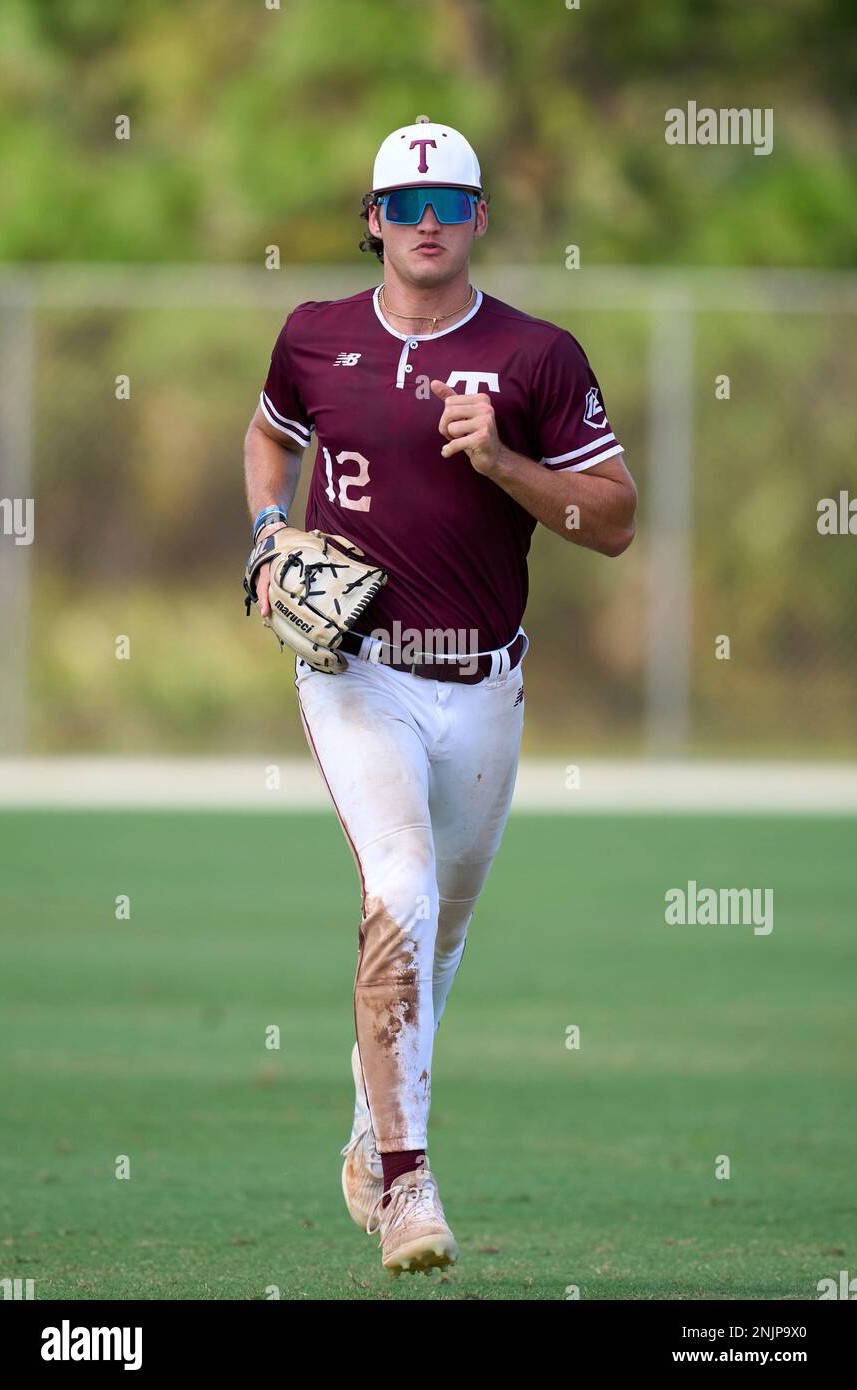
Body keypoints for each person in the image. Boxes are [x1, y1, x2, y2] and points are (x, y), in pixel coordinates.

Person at [243, 117, 637, 1276]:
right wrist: (269, 533)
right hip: (357, 670)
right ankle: (409, 1189)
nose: (425, 222)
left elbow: (611, 522)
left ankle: (371, 1132)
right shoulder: (313, 337)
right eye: (403, 204)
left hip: (483, 686)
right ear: (371, 219)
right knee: (401, 891)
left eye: (446, 203)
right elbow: (268, 442)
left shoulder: (535, 356)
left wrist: (507, 461)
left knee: (440, 935)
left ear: (476, 219)